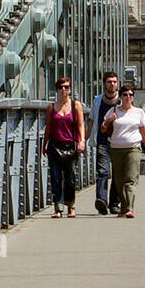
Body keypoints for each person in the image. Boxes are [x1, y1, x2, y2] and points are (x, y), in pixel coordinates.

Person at [101, 85, 145, 217]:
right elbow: (102, 129)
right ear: (120, 97)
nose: (128, 97)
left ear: (133, 97)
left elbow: (143, 132)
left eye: (130, 95)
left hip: (133, 148)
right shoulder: (113, 111)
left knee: (130, 178)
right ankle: (124, 207)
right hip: (116, 149)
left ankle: (130, 207)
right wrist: (108, 121)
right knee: (118, 180)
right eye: (125, 95)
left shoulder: (139, 112)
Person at [43, 75, 85, 217]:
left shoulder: (75, 105)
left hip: (70, 146)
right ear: (56, 89)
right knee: (55, 178)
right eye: (60, 87)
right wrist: (44, 145)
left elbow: (80, 125)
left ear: (70, 89)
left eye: (66, 87)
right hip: (54, 146)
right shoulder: (51, 107)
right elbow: (48, 127)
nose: (63, 90)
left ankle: (70, 206)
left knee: (70, 178)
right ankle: (58, 208)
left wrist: (82, 140)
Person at [88, 70, 121, 215]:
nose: (112, 84)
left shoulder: (123, 99)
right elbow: (91, 120)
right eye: (109, 82)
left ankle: (114, 203)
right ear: (104, 84)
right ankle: (101, 200)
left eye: (114, 82)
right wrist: (84, 139)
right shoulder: (97, 100)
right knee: (103, 171)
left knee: (118, 173)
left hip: (120, 142)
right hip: (103, 141)